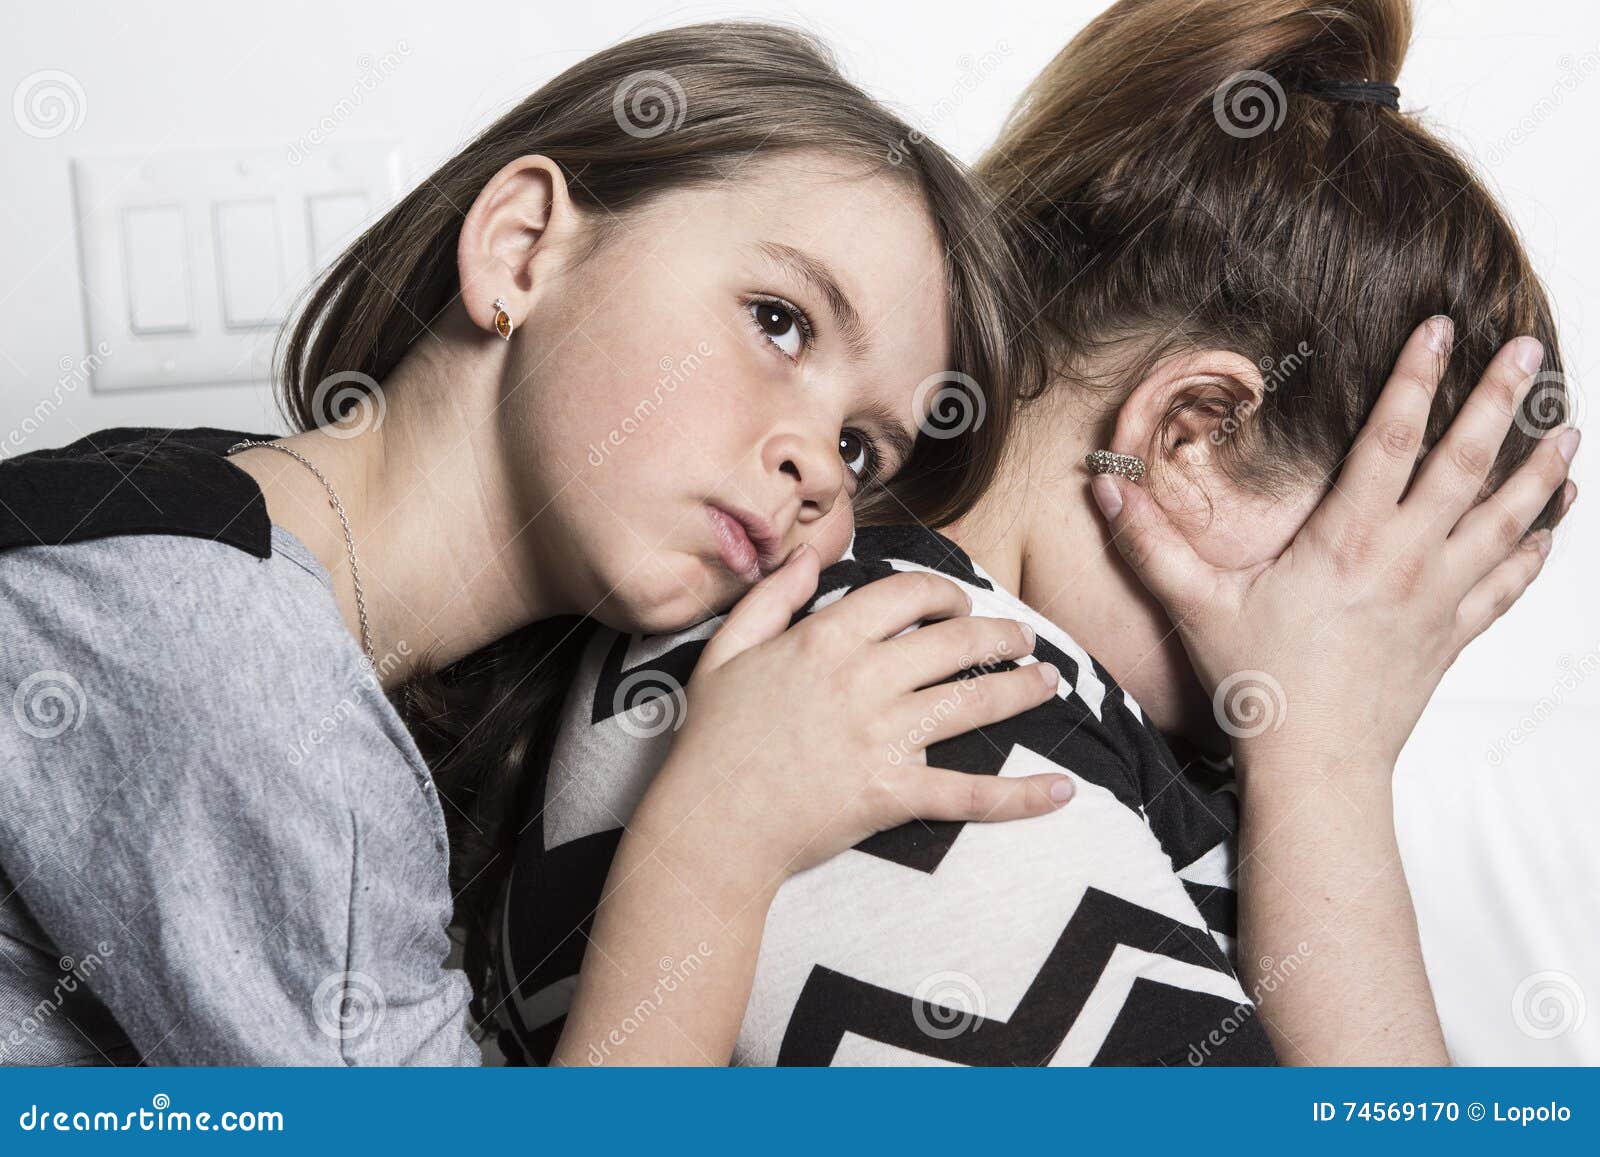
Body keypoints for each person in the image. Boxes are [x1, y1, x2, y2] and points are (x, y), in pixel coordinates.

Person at [484, 0, 1578, 1065]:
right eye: (1370, 598)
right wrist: (1325, 754)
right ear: (1189, 435)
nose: (1378, 672)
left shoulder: (956, 666)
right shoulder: (903, 693)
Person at [0, 22, 1065, 1066]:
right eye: (778, 319)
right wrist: (713, 843)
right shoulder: (226, 651)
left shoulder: (212, 521)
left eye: (861, 448)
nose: (824, 473)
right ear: (519, 251)